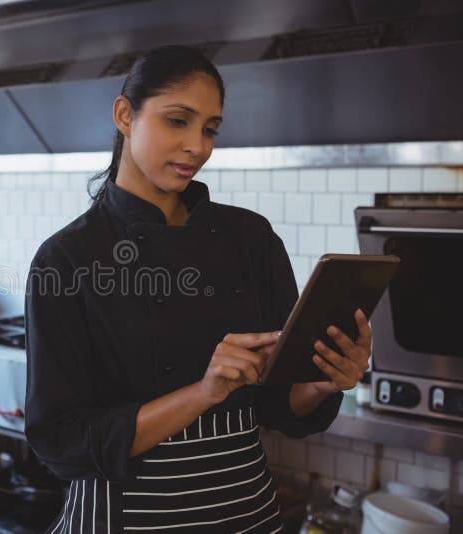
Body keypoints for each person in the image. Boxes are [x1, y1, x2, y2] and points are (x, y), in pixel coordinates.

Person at [24, 44, 371, 533]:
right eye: (177, 121)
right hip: (129, 520)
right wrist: (203, 393)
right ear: (125, 115)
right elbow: (60, 441)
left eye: (209, 129)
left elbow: (277, 406)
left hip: (246, 516)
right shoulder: (67, 260)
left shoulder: (250, 239)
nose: (198, 147)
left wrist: (320, 381)